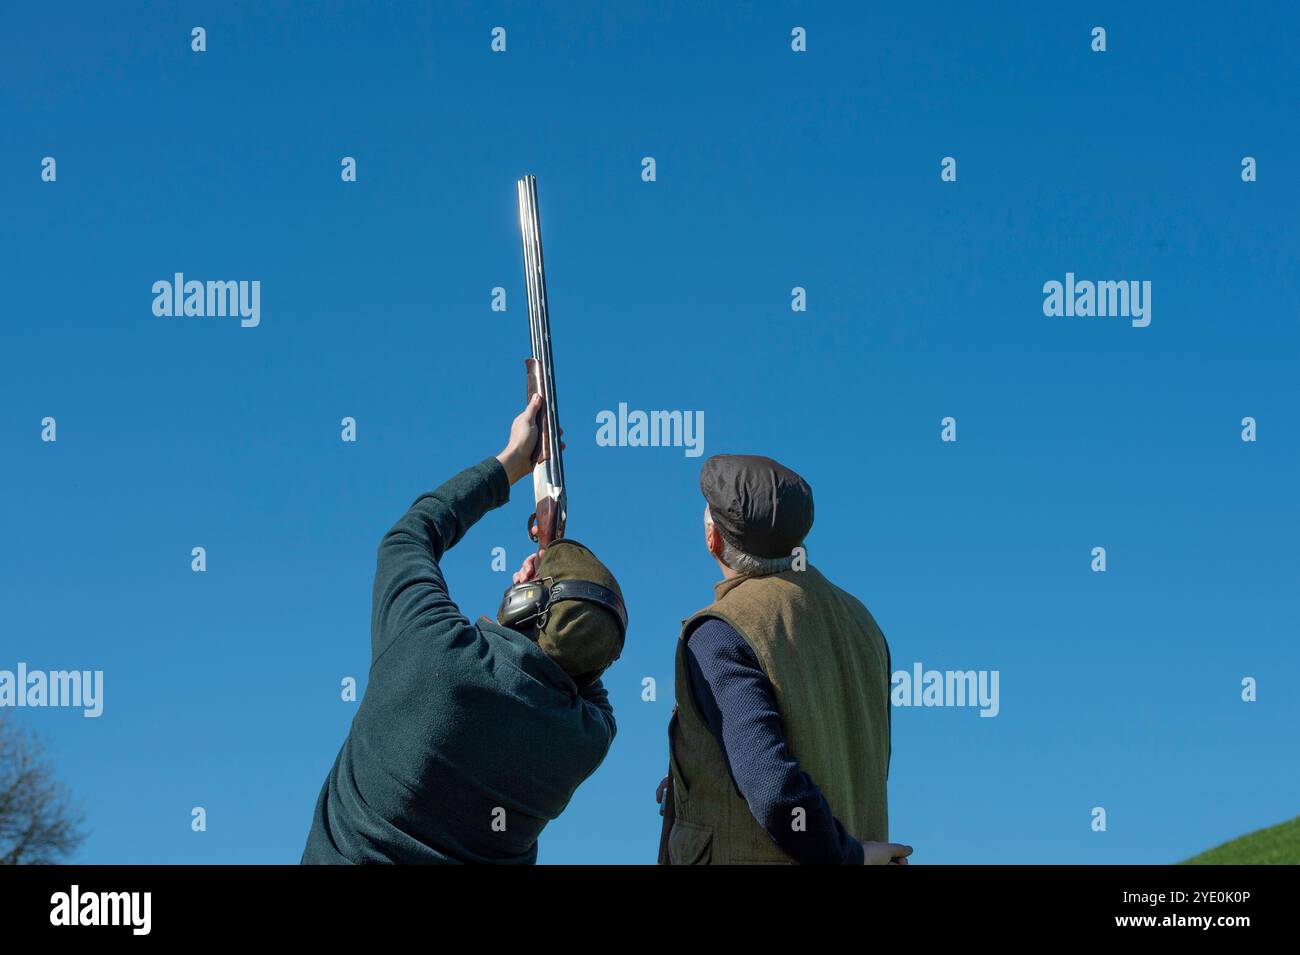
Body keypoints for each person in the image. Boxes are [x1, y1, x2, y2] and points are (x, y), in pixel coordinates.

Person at [302, 394, 626, 864]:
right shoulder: (586, 741)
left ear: (525, 602)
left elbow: (410, 536)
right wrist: (558, 596)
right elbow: (585, 668)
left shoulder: (432, 646)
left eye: (525, 583)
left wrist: (509, 464)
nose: (517, 575)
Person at [658, 454, 911, 865]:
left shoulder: (721, 630)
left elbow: (774, 790)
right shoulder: (864, 624)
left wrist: (848, 856)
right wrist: (699, 776)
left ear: (713, 538)